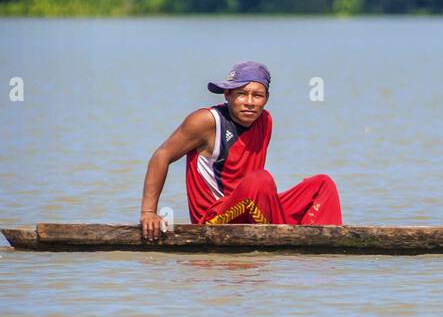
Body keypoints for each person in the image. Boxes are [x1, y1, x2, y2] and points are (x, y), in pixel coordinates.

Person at [139, 61, 342, 240]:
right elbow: (161, 156)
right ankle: (281, 236)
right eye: (241, 94)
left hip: (254, 207)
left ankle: (320, 249)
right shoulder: (206, 121)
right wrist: (149, 212)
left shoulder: (265, 120)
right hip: (214, 216)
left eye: (257, 96)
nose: (250, 102)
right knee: (261, 180)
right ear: (228, 95)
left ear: (266, 98)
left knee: (322, 184)